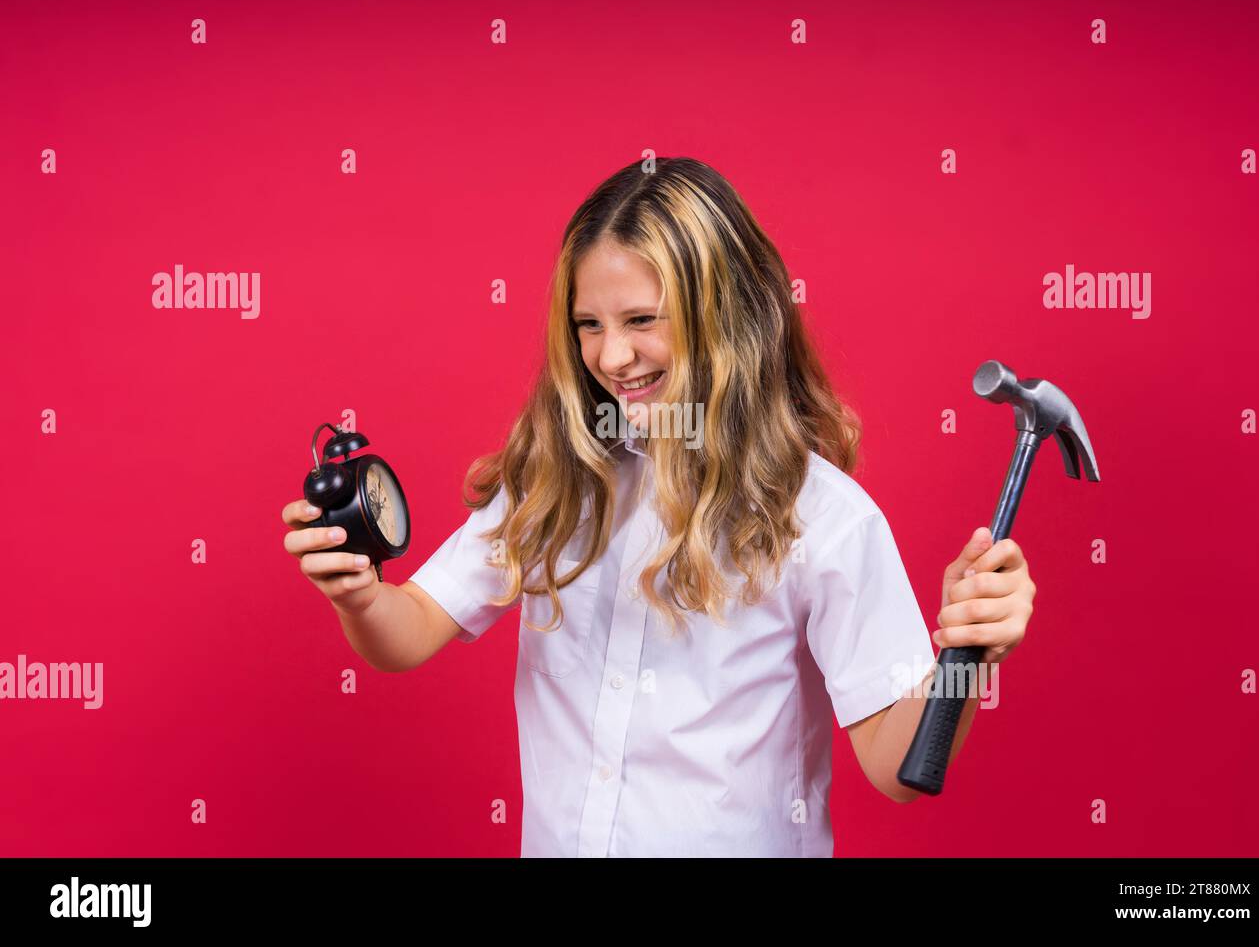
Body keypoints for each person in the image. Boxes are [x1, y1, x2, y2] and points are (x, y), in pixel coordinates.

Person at [281, 157, 1036, 857]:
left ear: (727, 317)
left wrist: (968, 656)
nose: (611, 357)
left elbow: (899, 769)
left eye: (642, 320)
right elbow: (406, 632)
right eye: (589, 325)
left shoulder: (828, 520)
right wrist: (359, 596)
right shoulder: (558, 478)